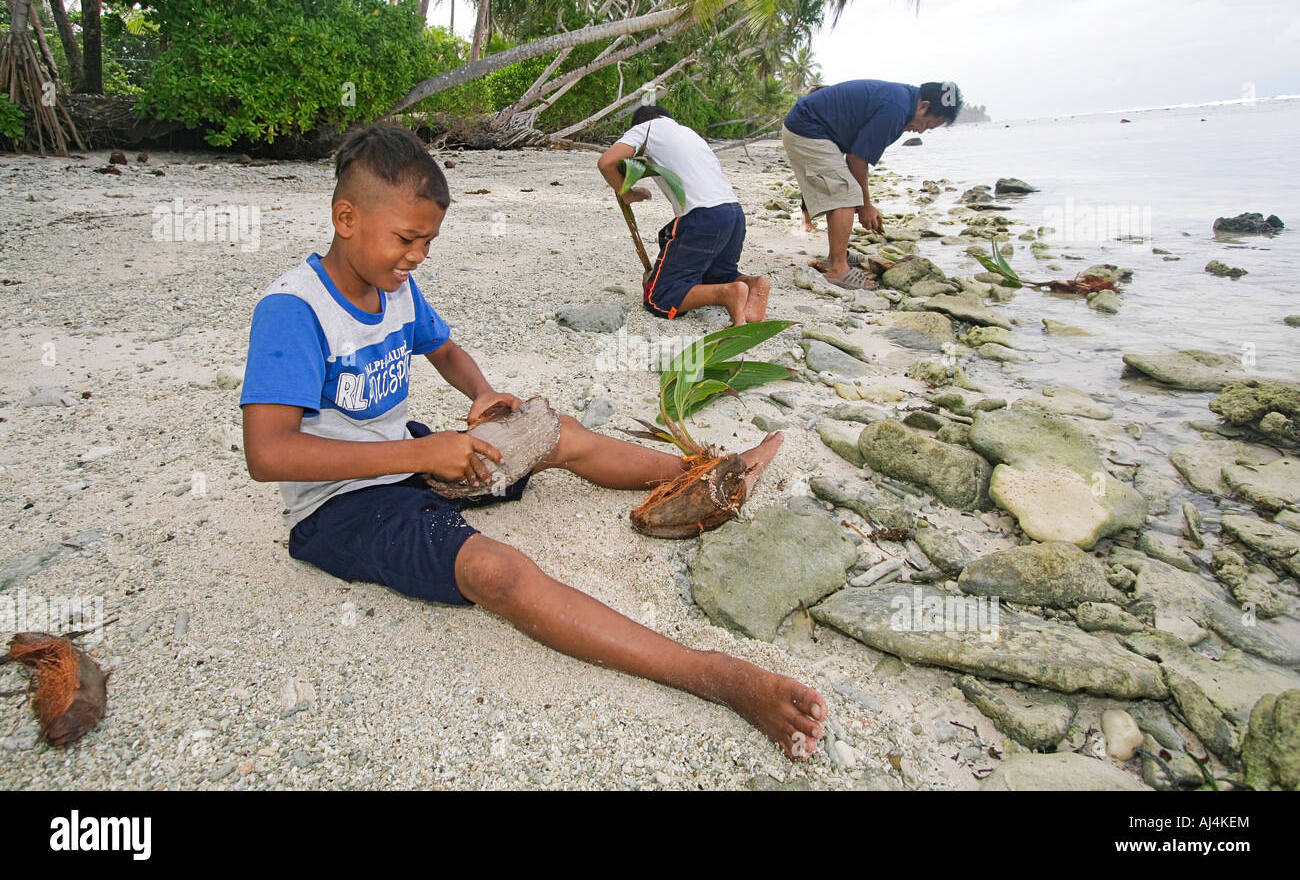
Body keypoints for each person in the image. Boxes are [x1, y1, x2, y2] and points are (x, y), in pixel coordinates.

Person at [238, 124, 828, 761]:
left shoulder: (394, 286)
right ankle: (715, 676)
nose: (416, 258)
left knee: (558, 435)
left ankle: (708, 472)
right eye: (406, 240)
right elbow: (269, 454)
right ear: (345, 217)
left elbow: (441, 346)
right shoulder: (293, 310)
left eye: (428, 243)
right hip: (341, 506)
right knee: (498, 571)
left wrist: (482, 397)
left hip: (411, 458)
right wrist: (419, 453)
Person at [597, 105, 770, 326]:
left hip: (704, 217)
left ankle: (728, 293)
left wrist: (627, 192)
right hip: (733, 213)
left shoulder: (646, 129)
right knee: (713, 275)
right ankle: (753, 284)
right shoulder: (689, 133)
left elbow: (606, 162)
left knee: (659, 297)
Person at [782, 79, 962, 289]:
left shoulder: (902, 105)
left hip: (812, 127)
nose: (921, 131)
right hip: (807, 128)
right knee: (845, 193)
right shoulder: (895, 109)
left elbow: (856, 153)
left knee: (845, 190)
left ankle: (836, 258)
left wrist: (863, 203)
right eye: (927, 124)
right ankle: (838, 270)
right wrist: (865, 205)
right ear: (924, 106)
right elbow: (857, 160)